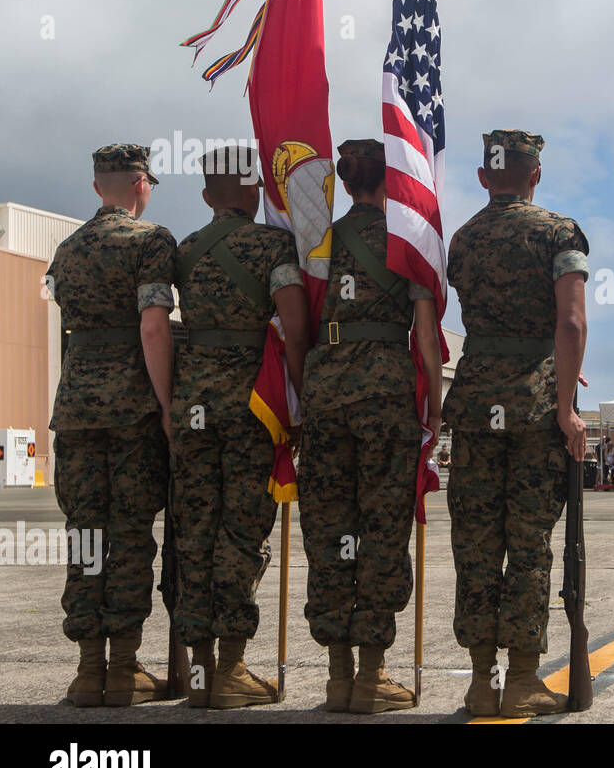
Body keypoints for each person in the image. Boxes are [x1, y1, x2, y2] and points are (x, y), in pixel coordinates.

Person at [441, 129, 588, 718]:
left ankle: (481, 682)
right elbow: (571, 322)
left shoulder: (463, 237)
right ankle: (524, 679)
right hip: (532, 404)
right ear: (536, 174)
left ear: (483, 177)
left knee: (476, 543)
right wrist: (566, 406)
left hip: (476, 401)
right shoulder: (558, 232)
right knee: (528, 546)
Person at [296, 139, 442, 714]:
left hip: (325, 391)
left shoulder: (318, 240)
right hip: (384, 394)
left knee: (330, 528)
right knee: (382, 529)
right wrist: (433, 404)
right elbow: (426, 334)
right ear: (391, 178)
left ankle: (337, 674)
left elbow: (296, 315)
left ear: (345, 178)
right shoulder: (409, 241)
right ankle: (371, 676)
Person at [170, 146, 309, 708]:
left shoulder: (183, 252)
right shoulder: (273, 246)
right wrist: (298, 401)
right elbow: (294, 327)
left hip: (192, 406)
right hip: (253, 406)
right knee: (241, 532)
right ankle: (230, 669)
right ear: (256, 192)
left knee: (195, 531)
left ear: (206, 196)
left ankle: (199, 672)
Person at [48, 144, 175, 708]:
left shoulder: (66, 250)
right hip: (131, 410)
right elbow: (153, 328)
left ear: (99, 187)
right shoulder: (151, 242)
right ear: (141, 184)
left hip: (75, 410)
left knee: (87, 534)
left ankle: (86, 671)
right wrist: (169, 405)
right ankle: (124, 670)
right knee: (128, 534)